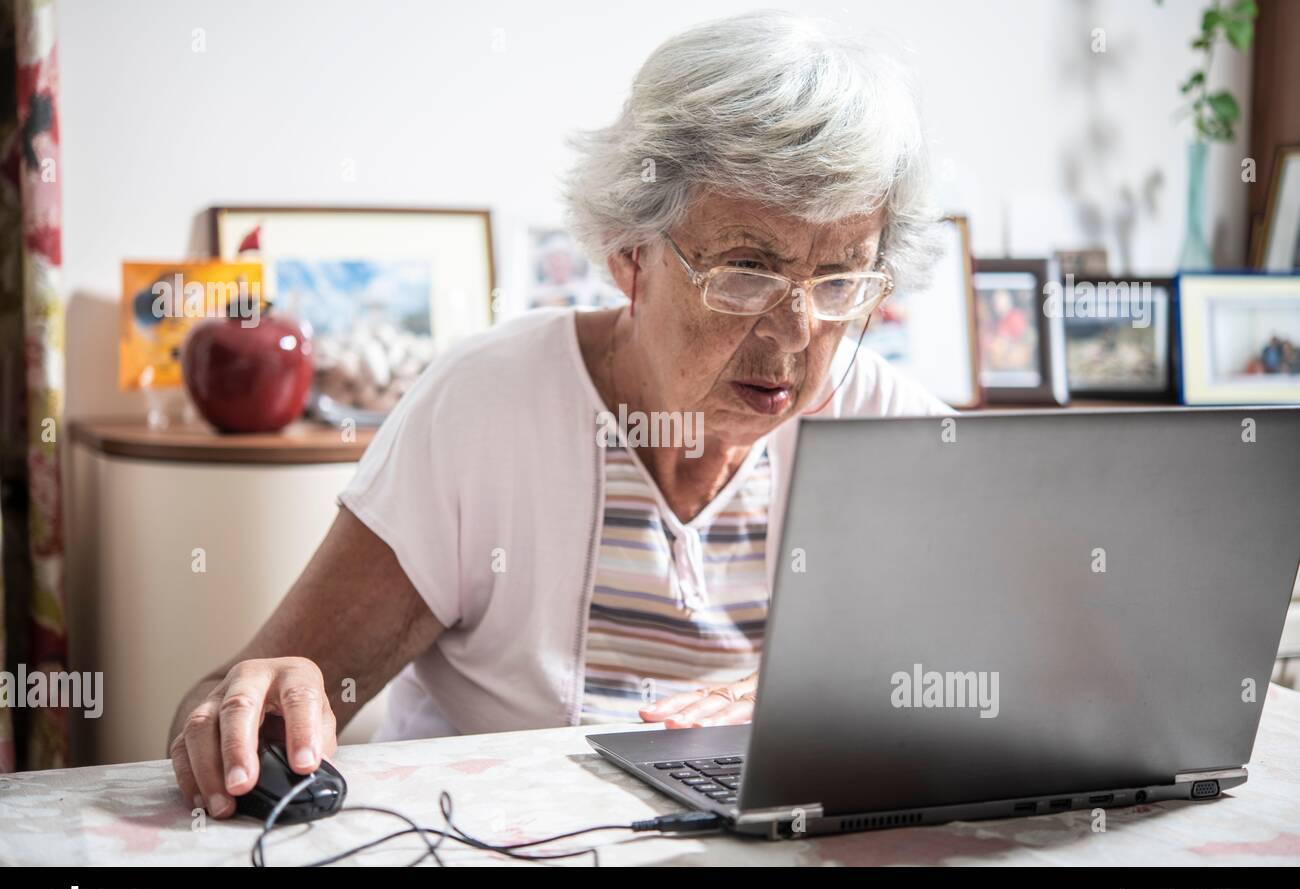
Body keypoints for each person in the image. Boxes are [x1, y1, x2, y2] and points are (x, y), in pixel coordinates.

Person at [169, 11, 952, 819]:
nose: (795, 333)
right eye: (747, 269)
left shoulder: (887, 430)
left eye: (840, 282)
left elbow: (1027, 688)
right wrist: (254, 708)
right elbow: (220, 711)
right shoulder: (487, 409)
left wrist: (839, 696)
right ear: (630, 256)